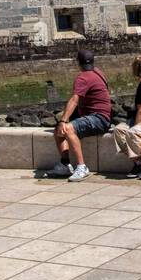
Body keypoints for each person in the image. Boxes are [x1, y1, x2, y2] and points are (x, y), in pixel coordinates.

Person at [48, 49, 112, 182]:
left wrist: (64, 120)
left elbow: (74, 99)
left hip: (98, 119)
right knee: (58, 131)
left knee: (67, 128)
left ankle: (82, 167)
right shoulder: (99, 73)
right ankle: (65, 164)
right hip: (104, 118)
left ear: (78, 62)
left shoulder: (82, 77)